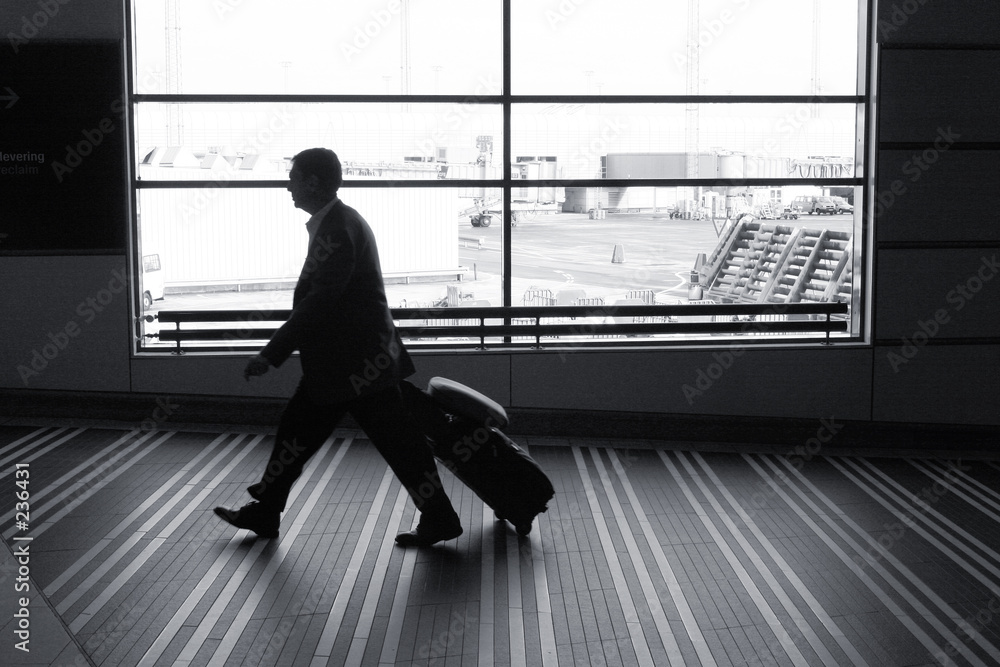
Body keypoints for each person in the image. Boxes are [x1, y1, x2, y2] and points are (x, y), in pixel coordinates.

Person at [213, 147, 462, 547]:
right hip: (354, 365)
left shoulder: (337, 230)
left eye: (293, 176)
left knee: (390, 446)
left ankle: (439, 517)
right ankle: (266, 511)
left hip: (353, 368)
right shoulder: (338, 223)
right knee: (327, 437)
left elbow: (320, 301)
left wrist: (271, 353)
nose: (288, 184)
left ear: (312, 182)